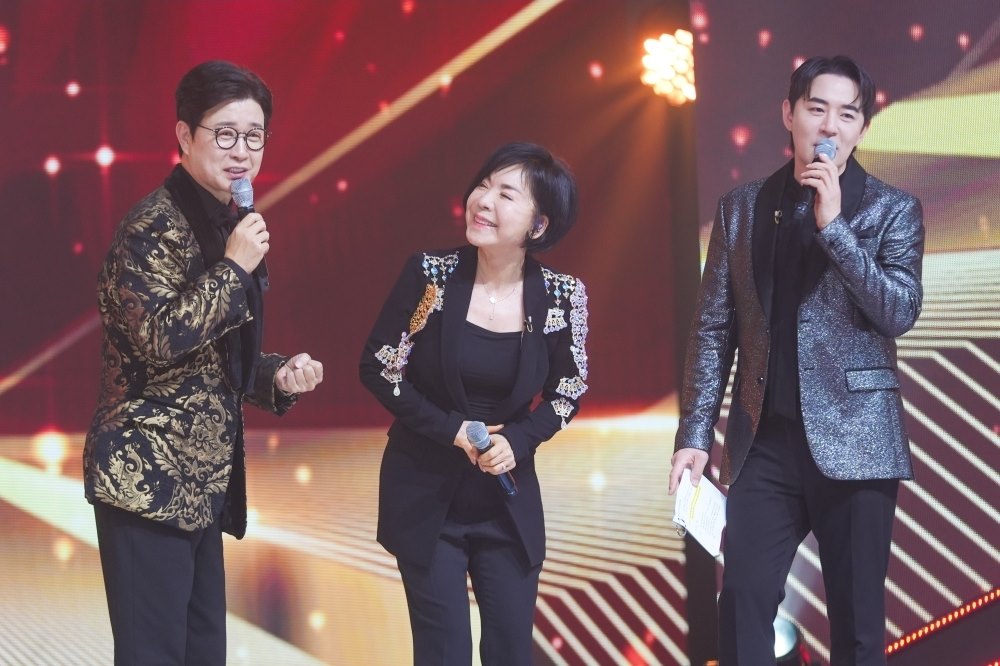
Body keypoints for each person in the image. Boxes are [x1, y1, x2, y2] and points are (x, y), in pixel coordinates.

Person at [669, 55, 924, 665]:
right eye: (816, 108)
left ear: (862, 129)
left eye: (847, 114)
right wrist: (695, 433)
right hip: (766, 442)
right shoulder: (741, 208)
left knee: (857, 626)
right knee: (742, 603)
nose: (830, 126)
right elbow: (714, 328)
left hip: (857, 441)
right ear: (789, 114)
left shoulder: (893, 210)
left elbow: (898, 311)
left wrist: (835, 228)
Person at [83, 60, 323, 665]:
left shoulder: (231, 225)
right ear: (185, 136)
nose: (241, 151)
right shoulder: (149, 229)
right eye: (225, 133)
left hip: (201, 486)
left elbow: (216, 354)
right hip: (144, 479)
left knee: (202, 654)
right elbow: (158, 339)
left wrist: (276, 375)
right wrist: (234, 267)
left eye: (254, 135)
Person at [359, 142, 588, 665]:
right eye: (483, 185)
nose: (483, 200)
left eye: (506, 194)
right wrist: (451, 430)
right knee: (444, 653)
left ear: (538, 225)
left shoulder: (562, 295)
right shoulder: (431, 275)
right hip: (427, 496)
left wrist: (519, 440)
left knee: (510, 650)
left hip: (505, 501)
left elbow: (569, 389)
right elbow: (379, 366)